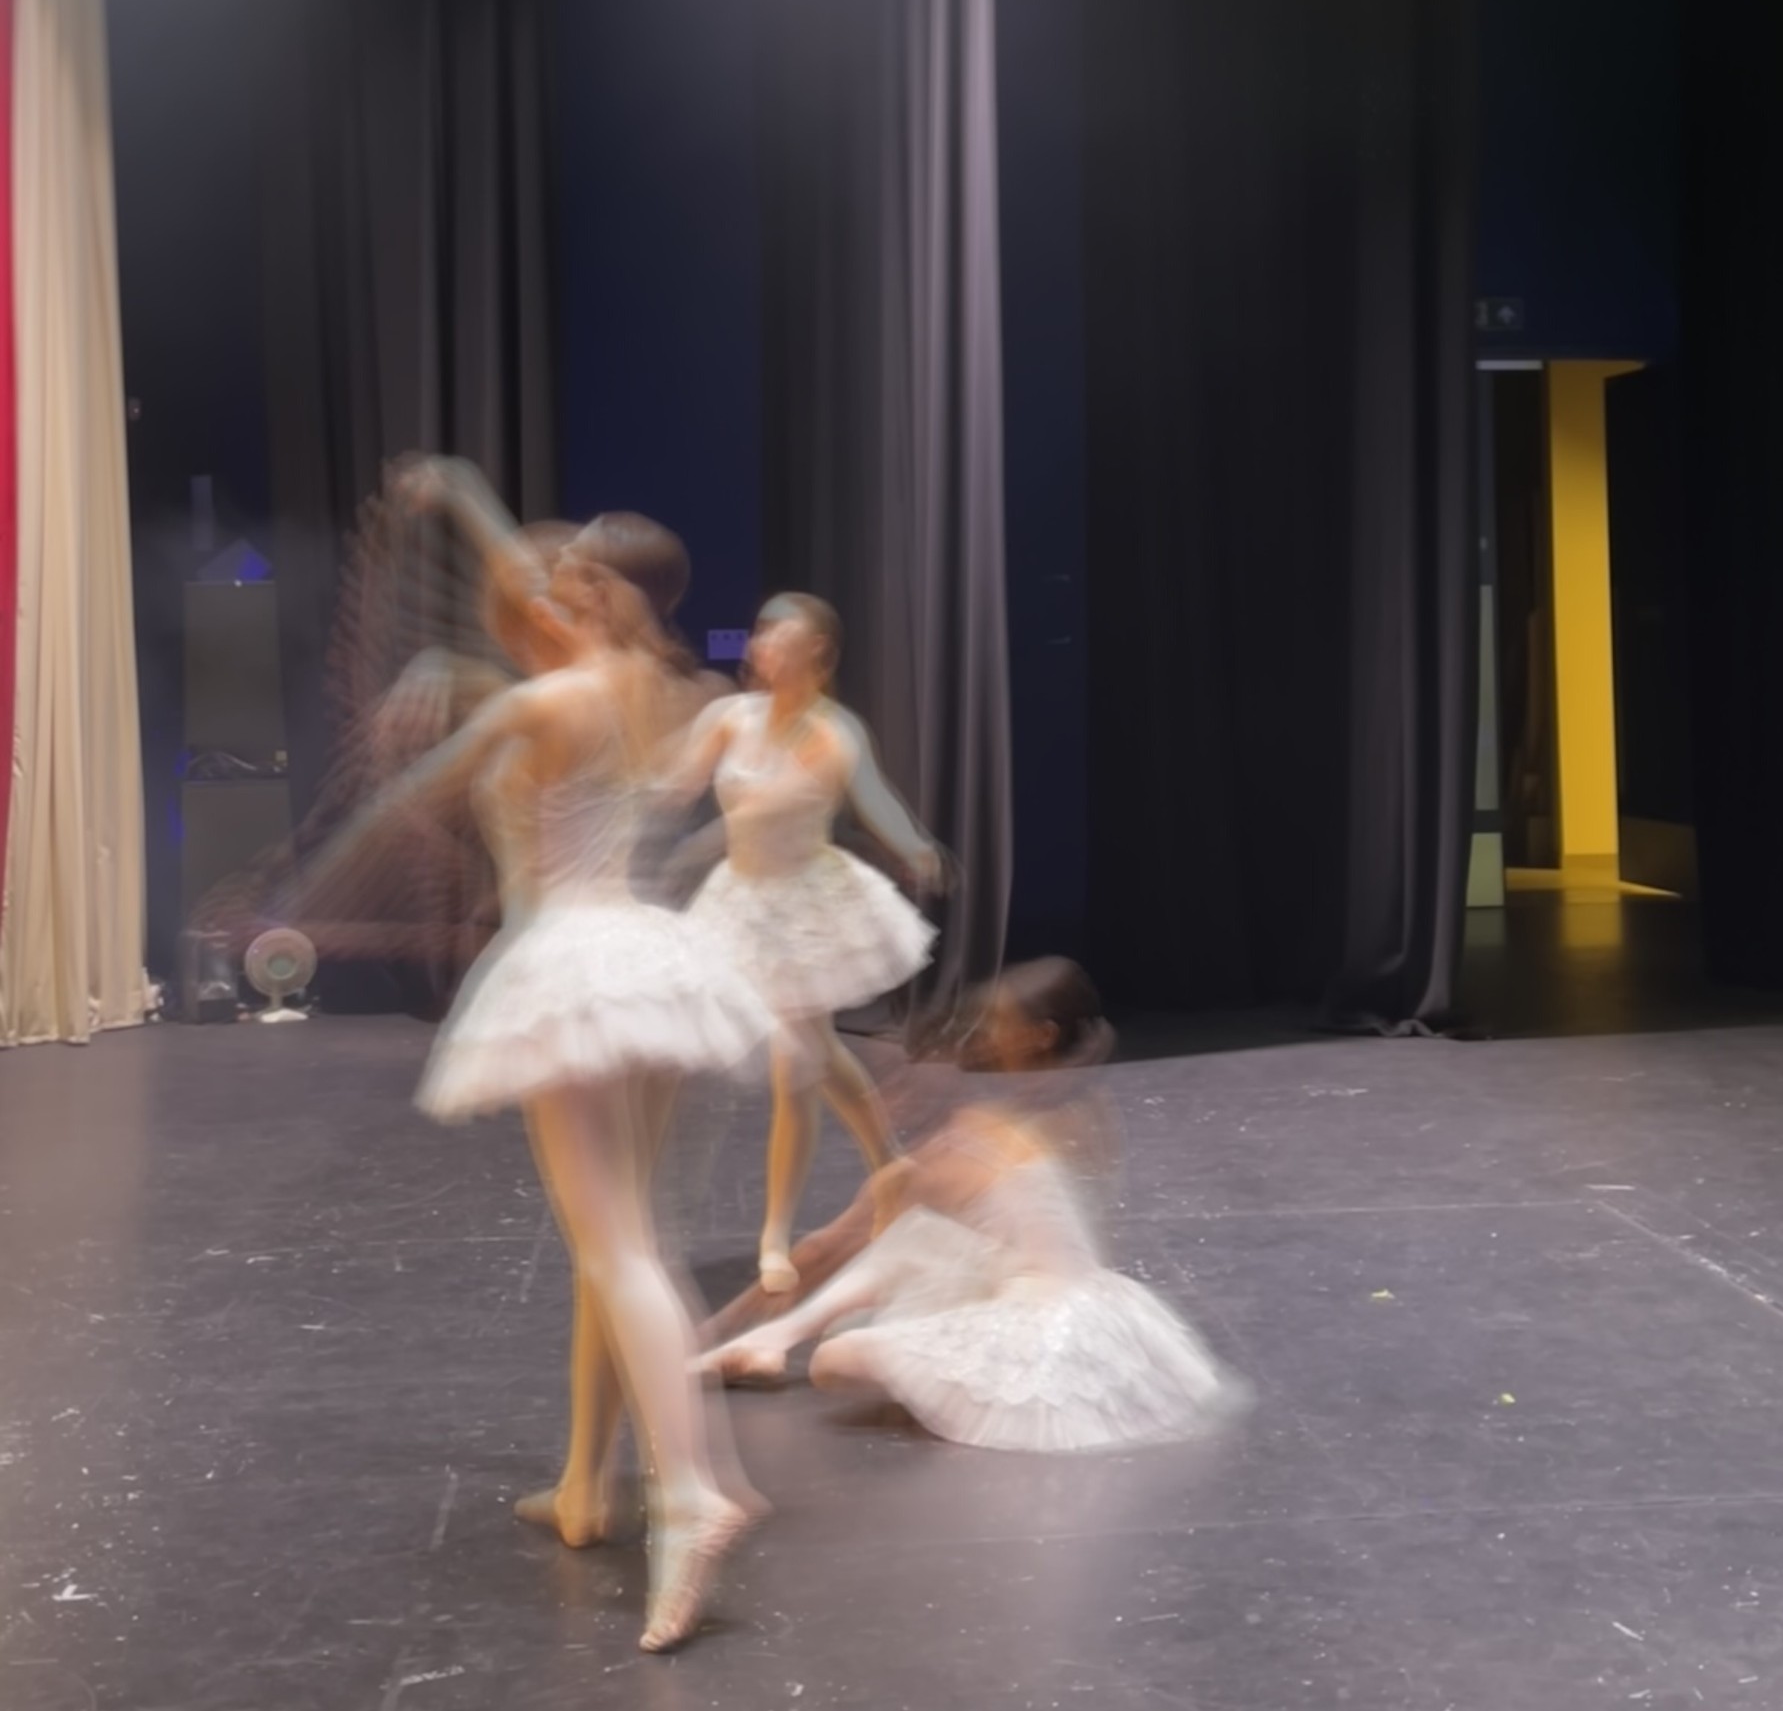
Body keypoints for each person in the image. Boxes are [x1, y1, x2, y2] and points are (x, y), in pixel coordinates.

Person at [288, 510, 772, 1651]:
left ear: (586, 595)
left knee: (618, 1249)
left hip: (571, 966)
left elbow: (386, 810)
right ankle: (597, 1486)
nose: (532, 593)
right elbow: (526, 605)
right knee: (627, 1250)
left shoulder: (544, 702)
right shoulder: (656, 687)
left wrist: (287, 901)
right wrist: (458, 506)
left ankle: (692, 1491)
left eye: (561, 581)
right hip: (650, 961)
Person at [698, 960, 1238, 1454]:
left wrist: (711, 1329)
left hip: (1044, 1328)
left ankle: (768, 1341)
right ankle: (769, 1342)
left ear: (1040, 1035)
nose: (986, 1036)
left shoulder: (967, 1142)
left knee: (834, 1359)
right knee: (918, 1240)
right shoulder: (1077, 1109)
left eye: (998, 1024)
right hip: (1086, 1300)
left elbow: (828, 1248)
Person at [668, 593, 943, 1297]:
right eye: (759, 633)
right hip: (741, 902)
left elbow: (873, 798)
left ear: (816, 652)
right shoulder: (728, 717)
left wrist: (913, 844)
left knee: (796, 1063)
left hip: (808, 903)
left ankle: (775, 1231)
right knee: (816, 1049)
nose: (760, 645)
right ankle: (891, 1165)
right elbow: (672, 785)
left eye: (777, 636)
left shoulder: (834, 730)